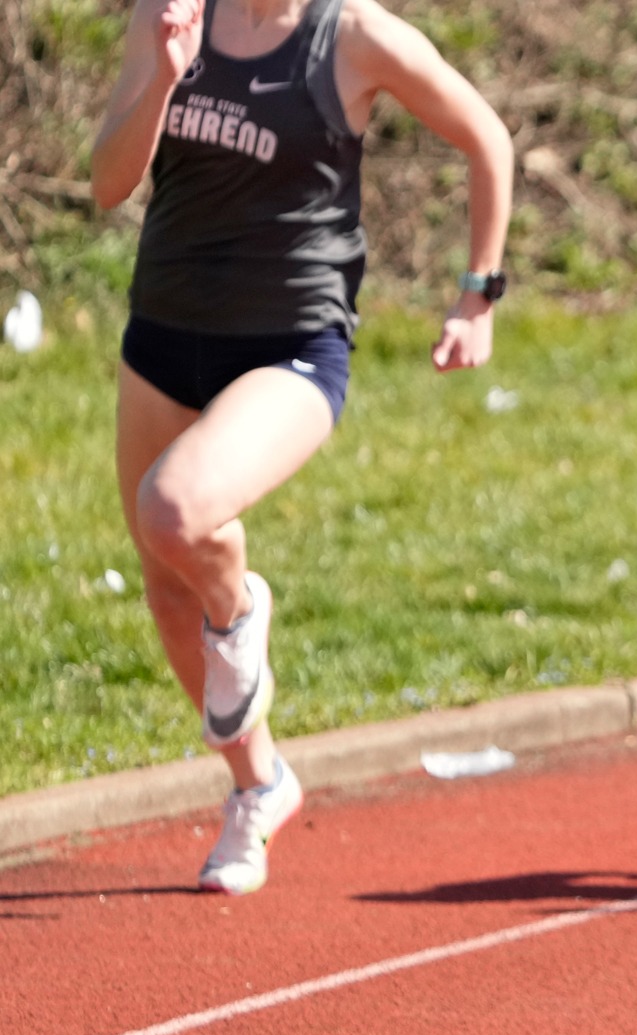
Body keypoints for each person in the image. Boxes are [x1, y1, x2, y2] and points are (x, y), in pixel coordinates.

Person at [91, 0, 512, 894]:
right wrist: (165, 76)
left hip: (291, 344)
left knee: (176, 509)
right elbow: (107, 181)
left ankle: (240, 608)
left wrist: (478, 294)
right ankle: (258, 786)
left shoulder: (355, 38)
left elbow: (486, 139)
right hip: (162, 334)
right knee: (167, 586)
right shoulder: (170, 16)